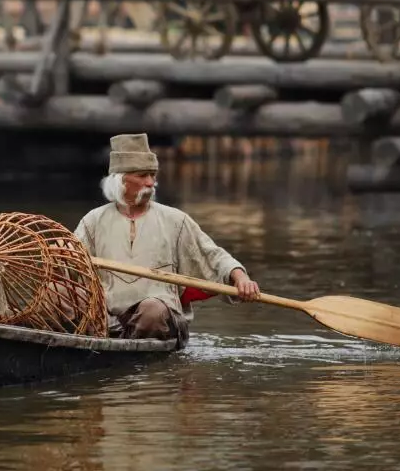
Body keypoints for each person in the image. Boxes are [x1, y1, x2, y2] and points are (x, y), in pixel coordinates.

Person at [73, 133, 260, 348]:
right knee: (59, 294)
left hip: (159, 319)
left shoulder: (175, 220)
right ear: (121, 179)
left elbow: (212, 255)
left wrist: (241, 277)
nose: (151, 182)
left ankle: (134, 351)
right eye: (143, 175)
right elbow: (70, 264)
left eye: (153, 175)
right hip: (107, 321)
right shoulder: (93, 221)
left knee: (152, 310)